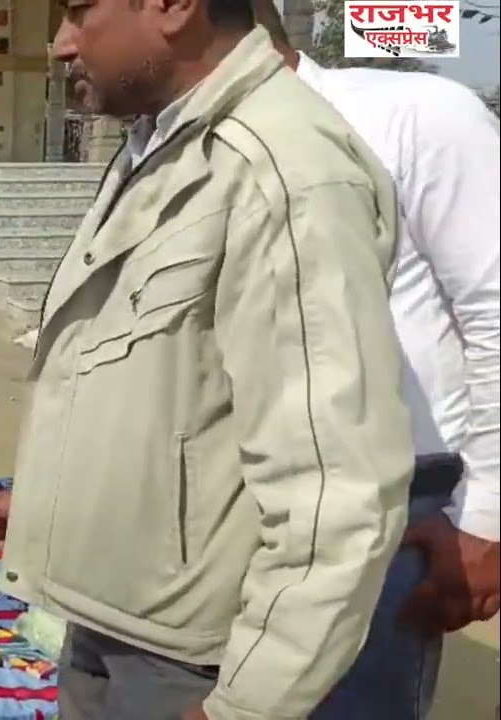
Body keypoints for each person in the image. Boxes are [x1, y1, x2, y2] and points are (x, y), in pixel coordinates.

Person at [0, 0, 416, 717]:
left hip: (190, 663)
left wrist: (248, 705)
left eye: (80, 12)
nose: (59, 45)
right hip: (113, 619)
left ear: (175, 7)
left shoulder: (282, 170)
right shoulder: (164, 144)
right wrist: (56, 503)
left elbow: (335, 488)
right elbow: (156, 387)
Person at [249, 5, 501, 717]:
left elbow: (494, 309)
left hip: (389, 512)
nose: (66, 47)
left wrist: (487, 518)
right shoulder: (185, 155)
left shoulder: (416, 116)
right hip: (240, 506)